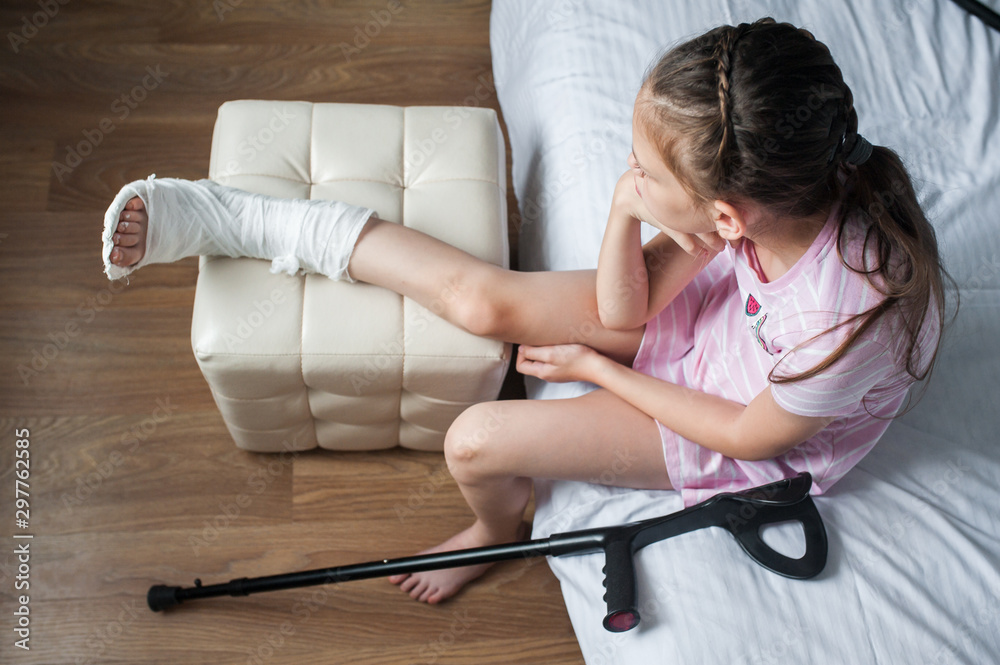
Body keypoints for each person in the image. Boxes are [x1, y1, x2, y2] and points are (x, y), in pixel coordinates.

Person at [103, 18, 948, 605]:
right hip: (724, 317)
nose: (631, 173)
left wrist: (588, 369)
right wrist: (629, 207)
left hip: (739, 415)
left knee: (475, 437)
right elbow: (632, 301)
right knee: (480, 299)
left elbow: (740, 435)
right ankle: (238, 217)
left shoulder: (847, 321)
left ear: (723, 216)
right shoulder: (764, 183)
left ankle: (488, 527)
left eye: (646, 173)